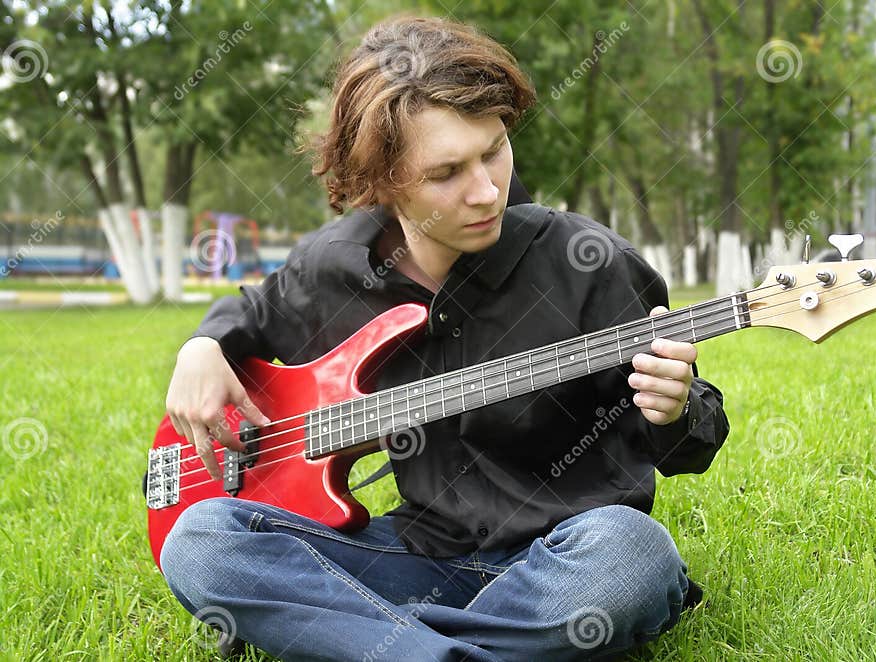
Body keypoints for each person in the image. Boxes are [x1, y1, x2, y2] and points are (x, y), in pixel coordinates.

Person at [160, 15, 729, 662]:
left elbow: (690, 446)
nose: (487, 191)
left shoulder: (587, 262)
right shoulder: (336, 269)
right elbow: (251, 313)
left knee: (637, 556)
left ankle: (378, 643)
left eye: (493, 151)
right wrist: (202, 346)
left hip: (566, 558)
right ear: (382, 181)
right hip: (416, 556)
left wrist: (677, 408)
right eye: (447, 172)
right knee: (202, 540)